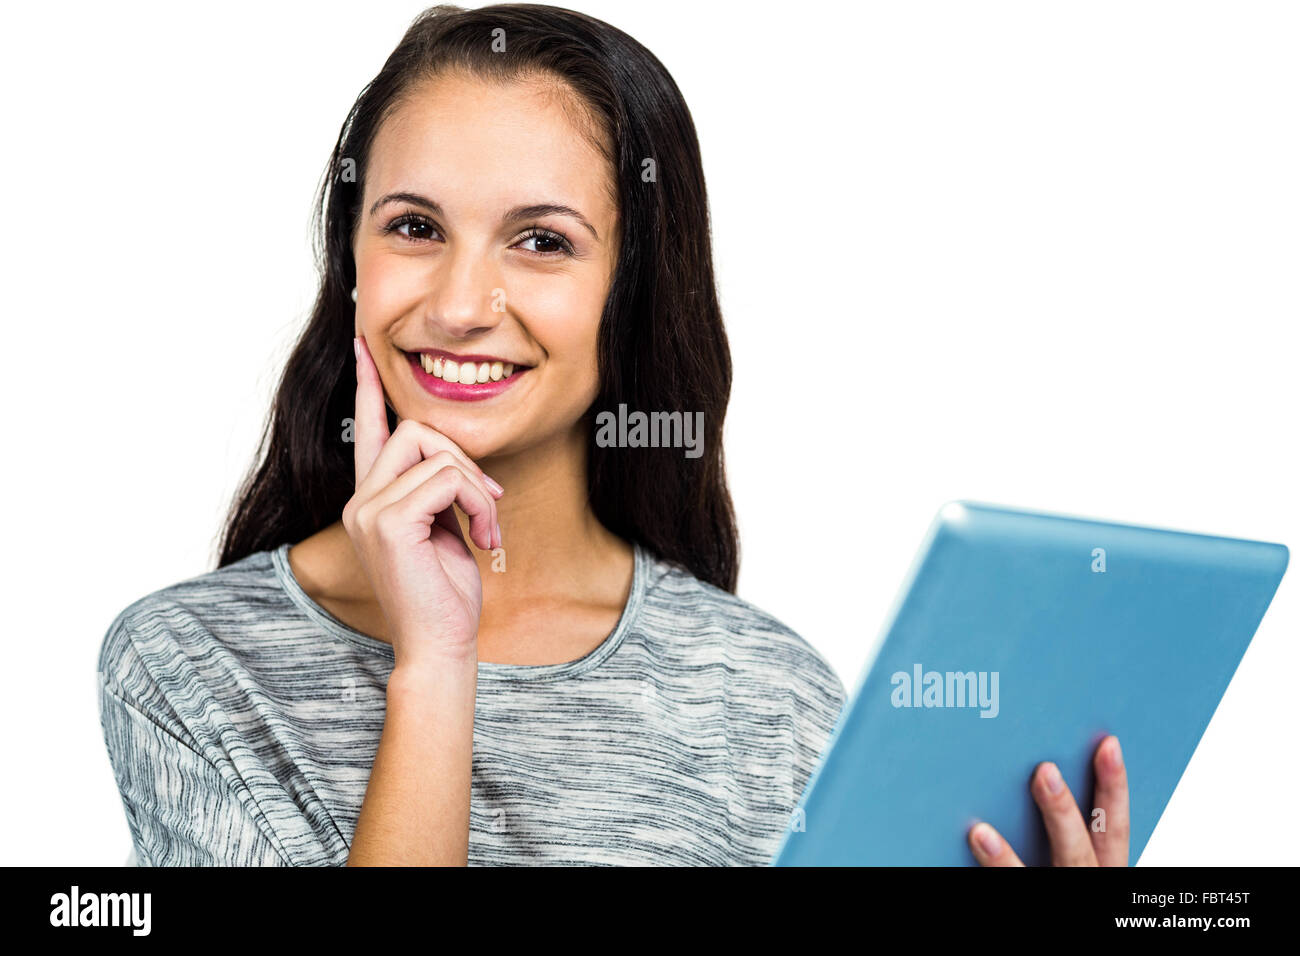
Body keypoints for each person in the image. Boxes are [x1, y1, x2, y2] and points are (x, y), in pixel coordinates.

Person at [97, 3, 1129, 867]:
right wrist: (434, 663)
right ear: (353, 261)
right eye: (414, 227)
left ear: (629, 291)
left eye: (541, 241)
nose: (461, 303)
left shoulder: (764, 696)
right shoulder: (190, 666)